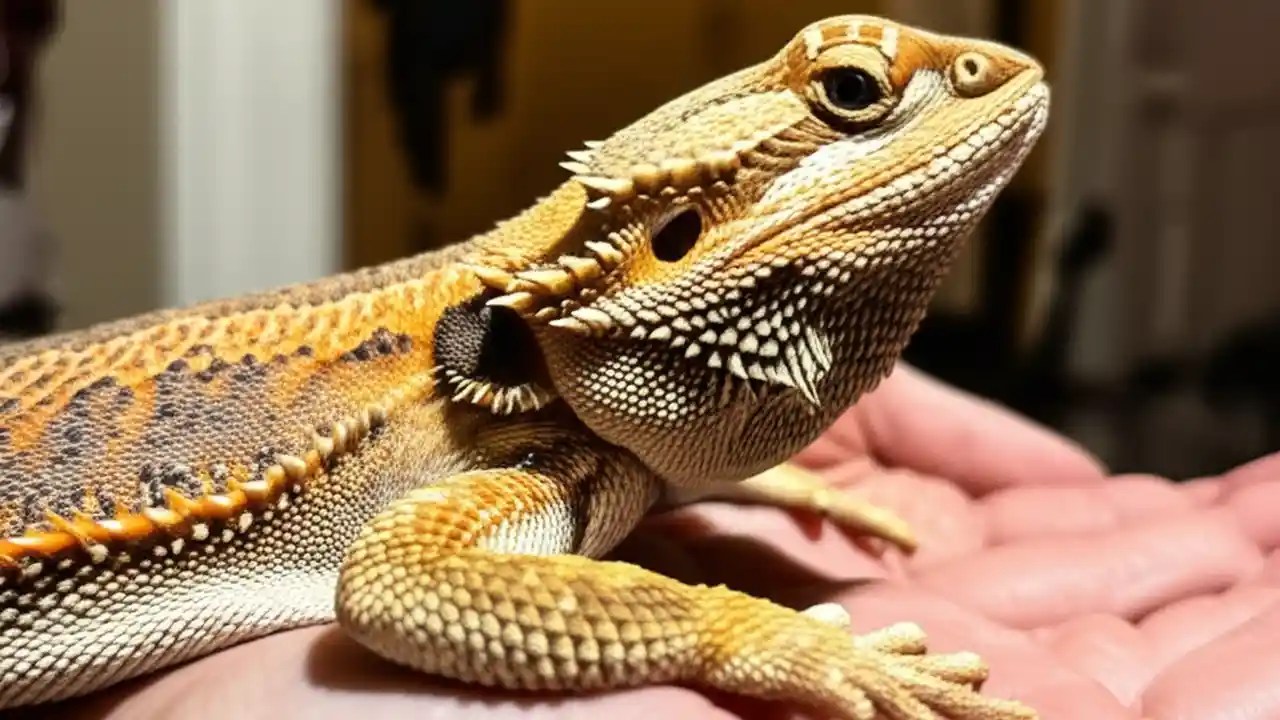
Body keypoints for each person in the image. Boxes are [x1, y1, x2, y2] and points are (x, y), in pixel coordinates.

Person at [25, 364, 1280, 719]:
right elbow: (401, 580)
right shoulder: (505, 447)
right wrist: (728, 630)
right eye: (850, 98)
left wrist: (708, 465)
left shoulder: (572, 430)